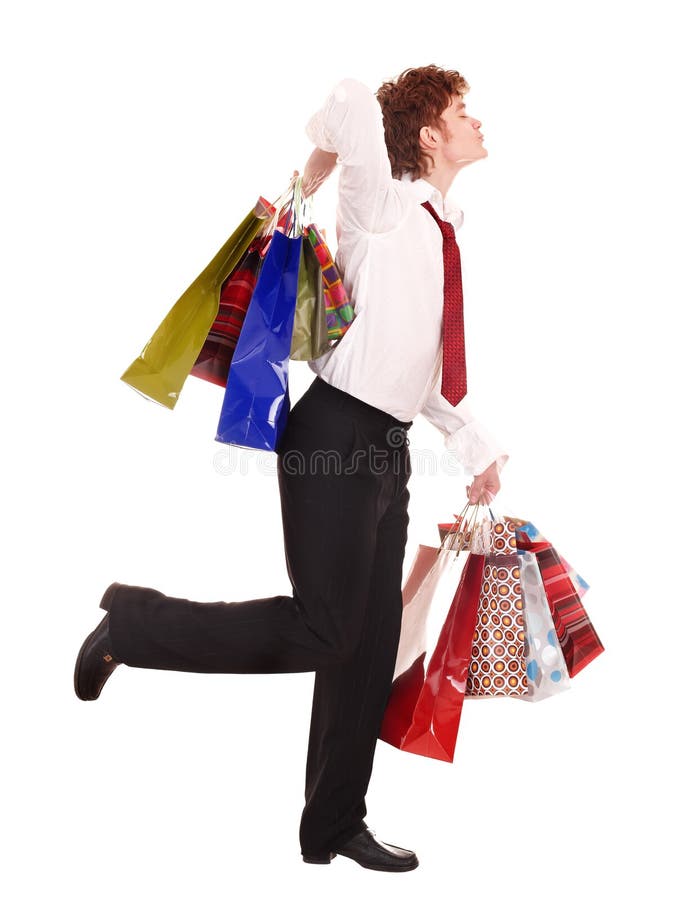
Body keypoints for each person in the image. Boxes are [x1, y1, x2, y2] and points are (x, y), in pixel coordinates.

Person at [74, 64, 509, 873]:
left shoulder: (443, 228)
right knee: (327, 626)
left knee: (367, 645)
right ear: (426, 136)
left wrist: (478, 451)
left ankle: (334, 825)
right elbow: (349, 96)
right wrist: (321, 160)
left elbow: (416, 369)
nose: (476, 122)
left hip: (384, 450)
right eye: (461, 112)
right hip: (335, 437)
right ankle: (132, 626)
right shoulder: (380, 204)